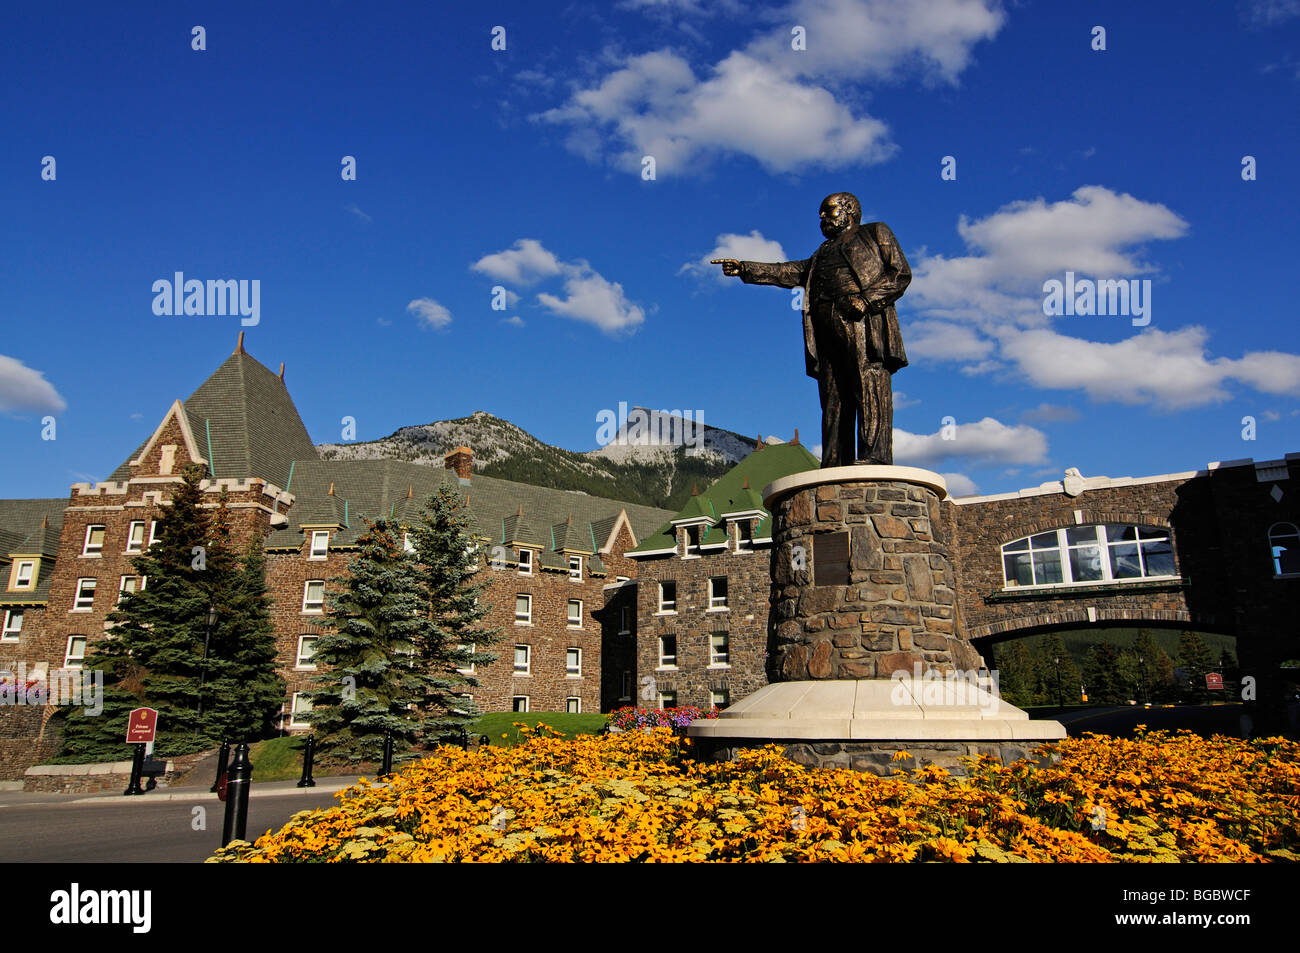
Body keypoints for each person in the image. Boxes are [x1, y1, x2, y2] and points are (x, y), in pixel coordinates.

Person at [715, 192, 910, 467]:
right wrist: (746, 268)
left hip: (861, 320)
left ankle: (874, 456)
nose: (821, 217)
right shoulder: (822, 253)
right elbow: (788, 271)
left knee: (868, 384)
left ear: (849, 210)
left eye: (827, 211)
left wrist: (867, 300)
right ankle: (834, 460)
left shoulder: (875, 233)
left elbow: (900, 273)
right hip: (824, 326)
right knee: (833, 394)